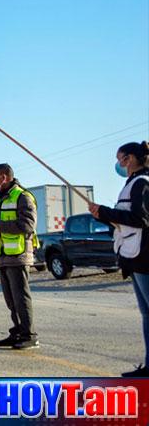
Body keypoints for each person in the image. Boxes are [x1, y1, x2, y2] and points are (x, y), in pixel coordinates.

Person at [90, 141, 149, 376]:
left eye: (121, 158)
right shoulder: (131, 184)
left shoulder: (142, 184)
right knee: (146, 314)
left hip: (144, 254)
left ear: (131, 159)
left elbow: (140, 219)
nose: (119, 163)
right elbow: (123, 222)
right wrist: (102, 216)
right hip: (133, 255)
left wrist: (105, 211)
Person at [0, 163, 39, 350]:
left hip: (18, 254)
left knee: (20, 296)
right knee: (10, 298)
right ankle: (17, 331)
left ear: (4, 177)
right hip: (3, 255)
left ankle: (29, 335)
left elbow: (26, 226)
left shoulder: (23, 196)